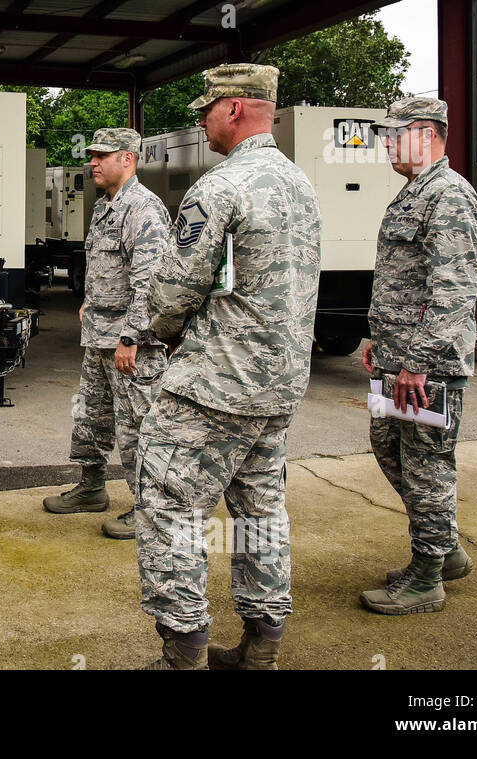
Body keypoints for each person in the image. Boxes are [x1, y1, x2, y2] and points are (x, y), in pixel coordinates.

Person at [135, 64, 321, 669]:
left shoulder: (220, 186)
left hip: (213, 386)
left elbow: (175, 289)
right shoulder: (300, 185)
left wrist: (153, 334)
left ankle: (183, 652)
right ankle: (261, 649)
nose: (201, 122)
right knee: (260, 512)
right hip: (278, 385)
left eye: (206, 110)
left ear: (235, 109)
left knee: (171, 509)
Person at [359, 97, 477, 616]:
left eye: (395, 133)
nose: (386, 143)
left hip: (427, 368)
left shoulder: (449, 195)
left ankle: (427, 577)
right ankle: (445, 548)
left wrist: (419, 361)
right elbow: (403, 281)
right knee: (389, 445)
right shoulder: (417, 193)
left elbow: (453, 290)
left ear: (427, 132)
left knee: (427, 462)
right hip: (398, 358)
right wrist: (380, 342)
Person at [42, 127, 171, 540]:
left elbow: (150, 282)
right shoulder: (104, 208)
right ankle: (92, 488)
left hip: (128, 342)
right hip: (98, 334)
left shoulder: (143, 210)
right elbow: (104, 266)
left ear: (128, 159)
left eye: (102, 156)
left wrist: (131, 337)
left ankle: (148, 509)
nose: (92, 162)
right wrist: (87, 299)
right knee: (91, 417)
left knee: (137, 426)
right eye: (92, 155)